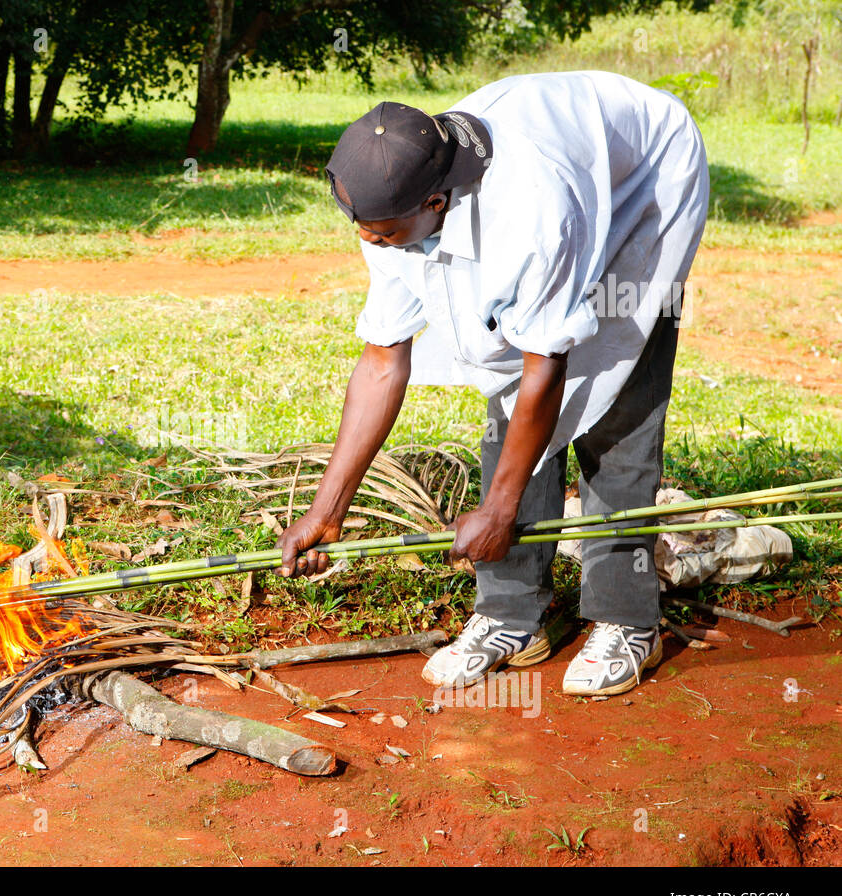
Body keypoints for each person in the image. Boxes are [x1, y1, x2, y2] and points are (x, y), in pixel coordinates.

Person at [277, 71, 709, 697]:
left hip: (644, 182)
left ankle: (626, 618)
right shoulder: (390, 204)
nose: (371, 243)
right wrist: (326, 511)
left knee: (615, 395)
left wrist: (500, 509)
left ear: (436, 203)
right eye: (362, 227)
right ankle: (512, 614)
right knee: (505, 387)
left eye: (384, 232)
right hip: (560, 168)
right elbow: (381, 362)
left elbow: (548, 365)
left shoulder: (532, 213)